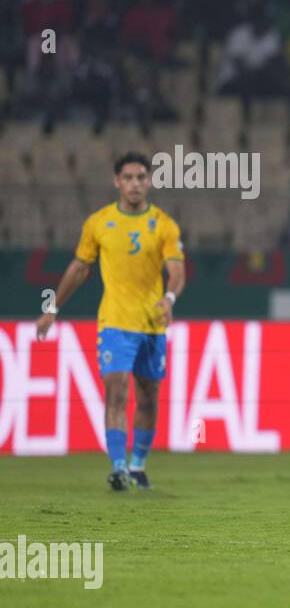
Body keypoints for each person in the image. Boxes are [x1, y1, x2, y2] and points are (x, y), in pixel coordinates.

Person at [35, 152, 186, 490]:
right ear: (117, 181)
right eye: (128, 177)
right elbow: (78, 268)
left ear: (149, 182)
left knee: (148, 396)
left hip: (152, 324)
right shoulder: (99, 223)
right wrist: (51, 308)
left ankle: (138, 465)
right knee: (116, 391)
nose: (135, 183)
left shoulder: (164, 224)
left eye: (141, 177)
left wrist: (169, 298)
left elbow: (177, 270)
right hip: (115, 322)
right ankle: (118, 466)